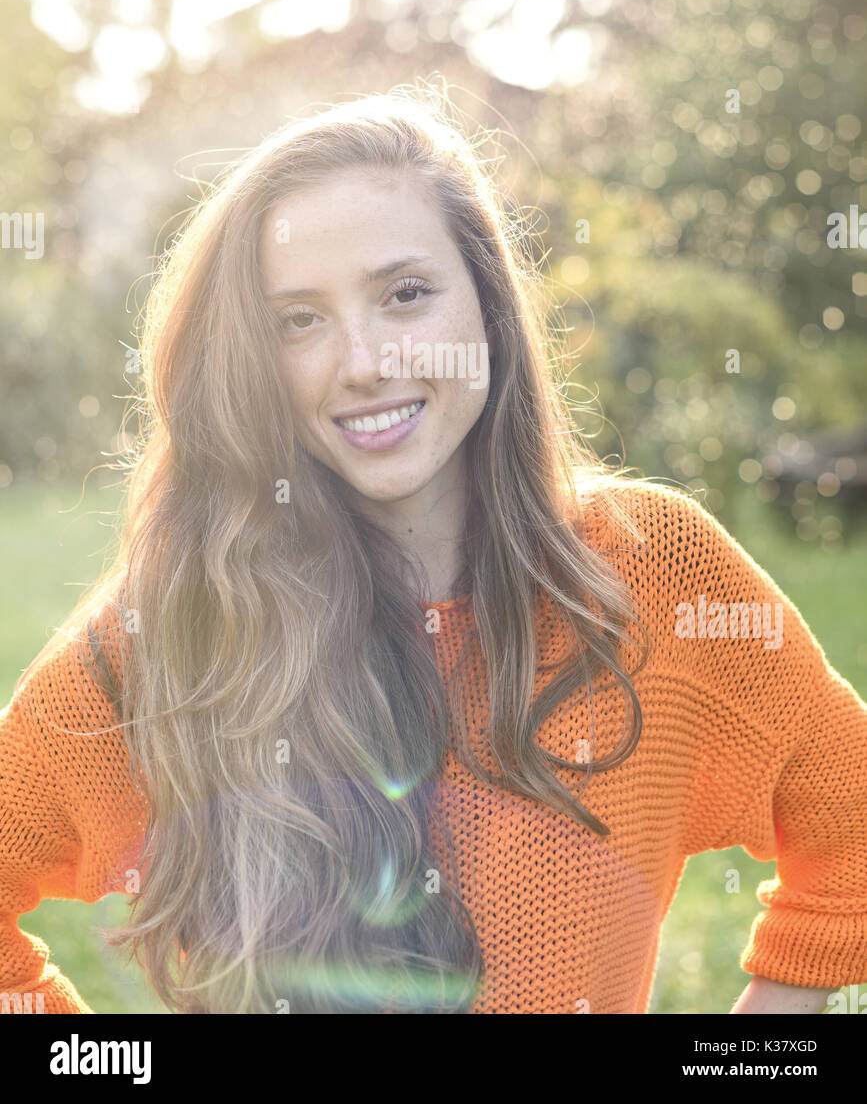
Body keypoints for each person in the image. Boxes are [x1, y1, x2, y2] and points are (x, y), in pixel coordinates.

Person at [1, 85, 866, 1015]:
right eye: (299, 319)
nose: (363, 360)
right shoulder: (174, 631)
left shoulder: (647, 569)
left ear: (486, 306)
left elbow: (849, 815)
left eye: (404, 294)